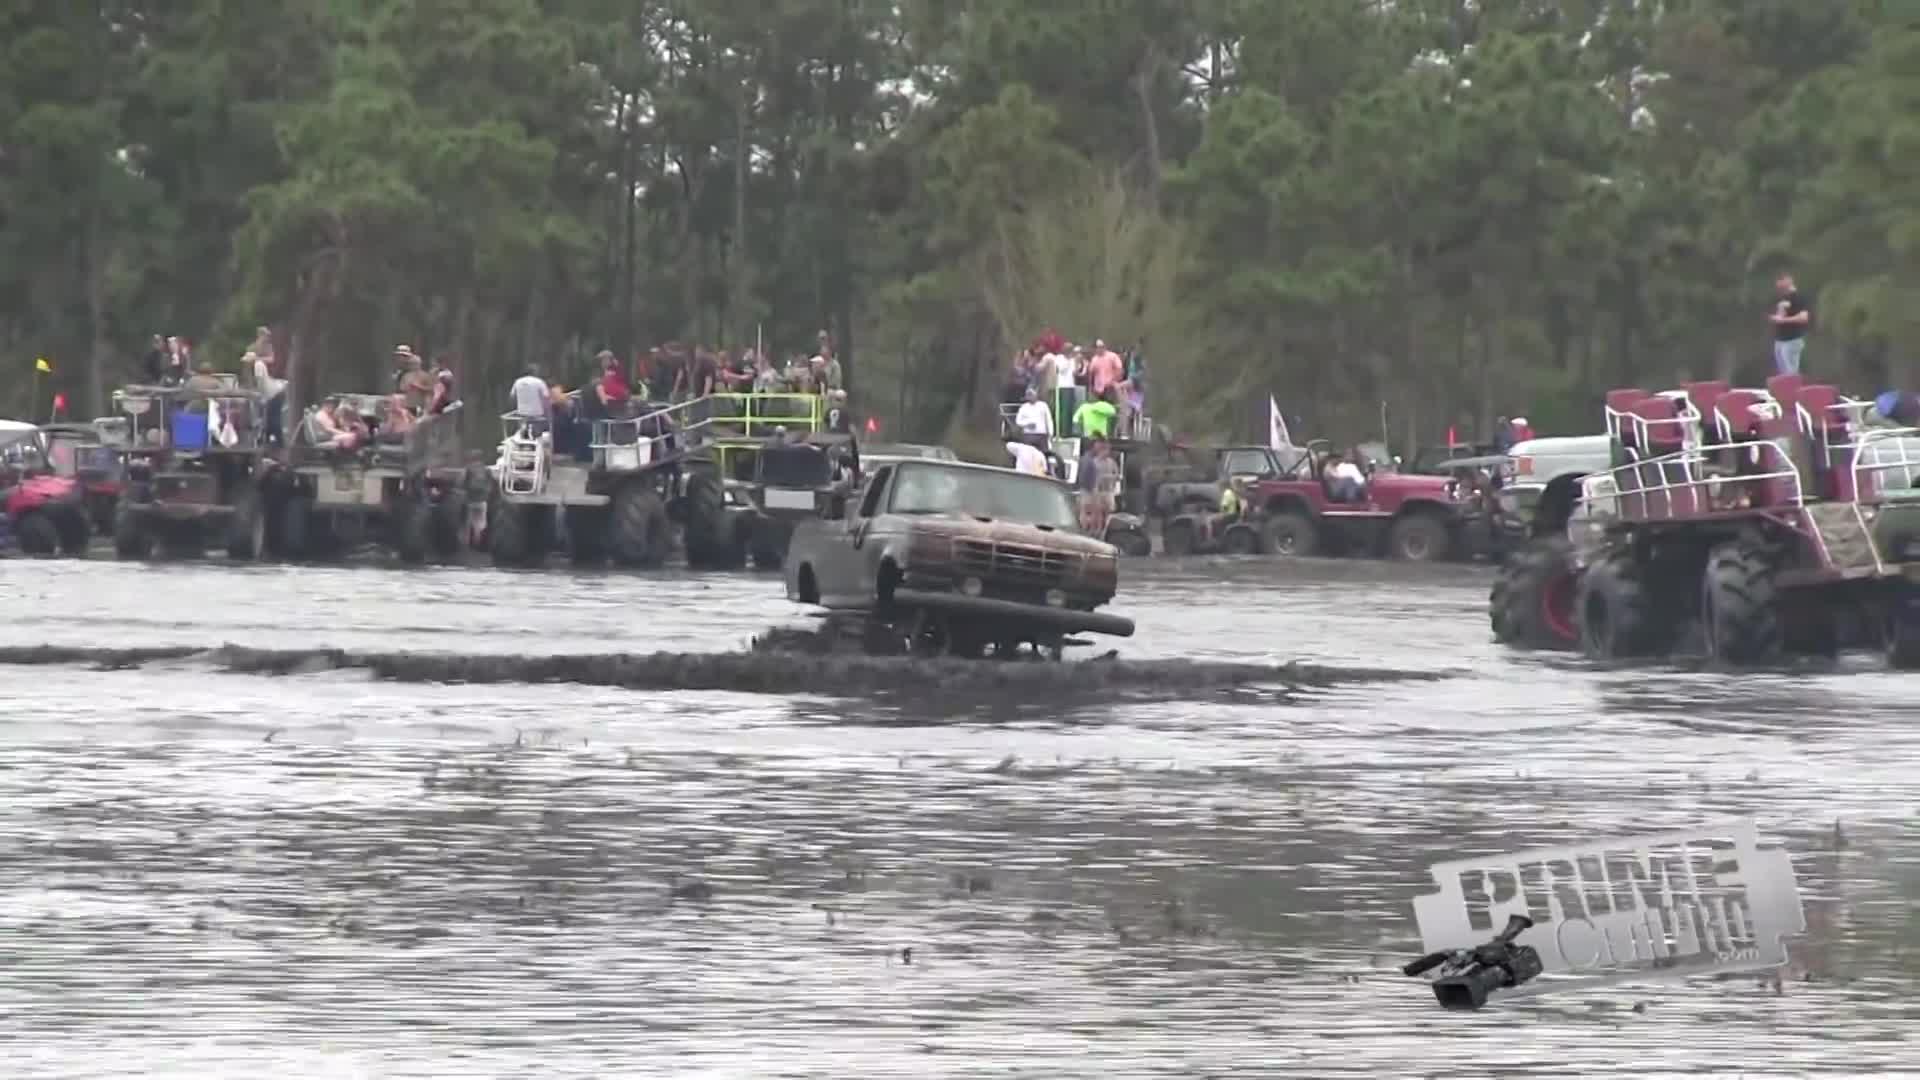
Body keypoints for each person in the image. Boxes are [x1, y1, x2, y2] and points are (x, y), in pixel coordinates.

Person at [245, 328, 287, 446]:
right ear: (260, 335)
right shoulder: (252, 347)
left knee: (271, 415)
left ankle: (271, 439)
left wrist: (257, 359)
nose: (268, 338)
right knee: (258, 414)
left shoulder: (268, 347)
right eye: (266, 336)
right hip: (257, 384)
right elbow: (247, 363)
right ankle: (261, 437)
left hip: (268, 383)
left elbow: (271, 359)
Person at [1770, 271, 1812, 375]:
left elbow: (1804, 317)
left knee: (1791, 373)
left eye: (1781, 280)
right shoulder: (1783, 297)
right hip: (1780, 340)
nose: (1778, 285)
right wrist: (1777, 317)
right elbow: (1782, 314)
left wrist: (1784, 320)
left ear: (1788, 280)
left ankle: (1794, 389)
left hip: (1792, 340)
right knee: (1783, 374)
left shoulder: (1799, 297)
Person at [394, 346, 435, 411]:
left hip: (420, 404)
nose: (401, 359)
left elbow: (431, 390)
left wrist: (418, 387)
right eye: (399, 356)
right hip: (406, 404)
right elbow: (401, 389)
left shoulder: (424, 375)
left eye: (404, 356)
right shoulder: (404, 375)